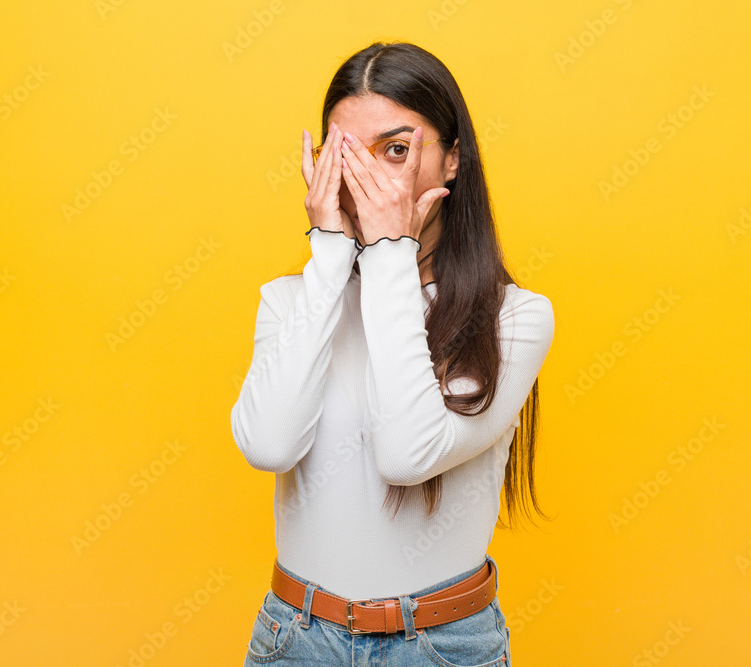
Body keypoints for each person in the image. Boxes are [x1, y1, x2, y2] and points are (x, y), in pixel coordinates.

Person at [231, 40, 555, 666]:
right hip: (296, 639)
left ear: (452, 159)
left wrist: (387, 256)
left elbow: (408, 456)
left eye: (396, 150)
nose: (367, 180)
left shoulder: (514, 318)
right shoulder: (290, 300)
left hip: (442, 645)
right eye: (346, 154)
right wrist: (330, 256)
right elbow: (268, 446)